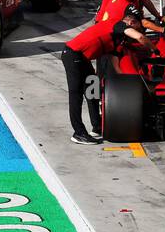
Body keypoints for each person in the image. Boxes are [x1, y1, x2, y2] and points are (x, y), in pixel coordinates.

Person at [63, 14, 154, 144]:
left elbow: (116, 65)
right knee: (76, 95)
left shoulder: (117, 39)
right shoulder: (118, 25)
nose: (138, 32)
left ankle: (97, 126)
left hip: (83, 59)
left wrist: (127, 84)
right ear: (131, 22)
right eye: (137, 28)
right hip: (73, 55)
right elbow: (140, 37)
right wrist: (154, 50)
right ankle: (79, 133)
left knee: (92, 90)